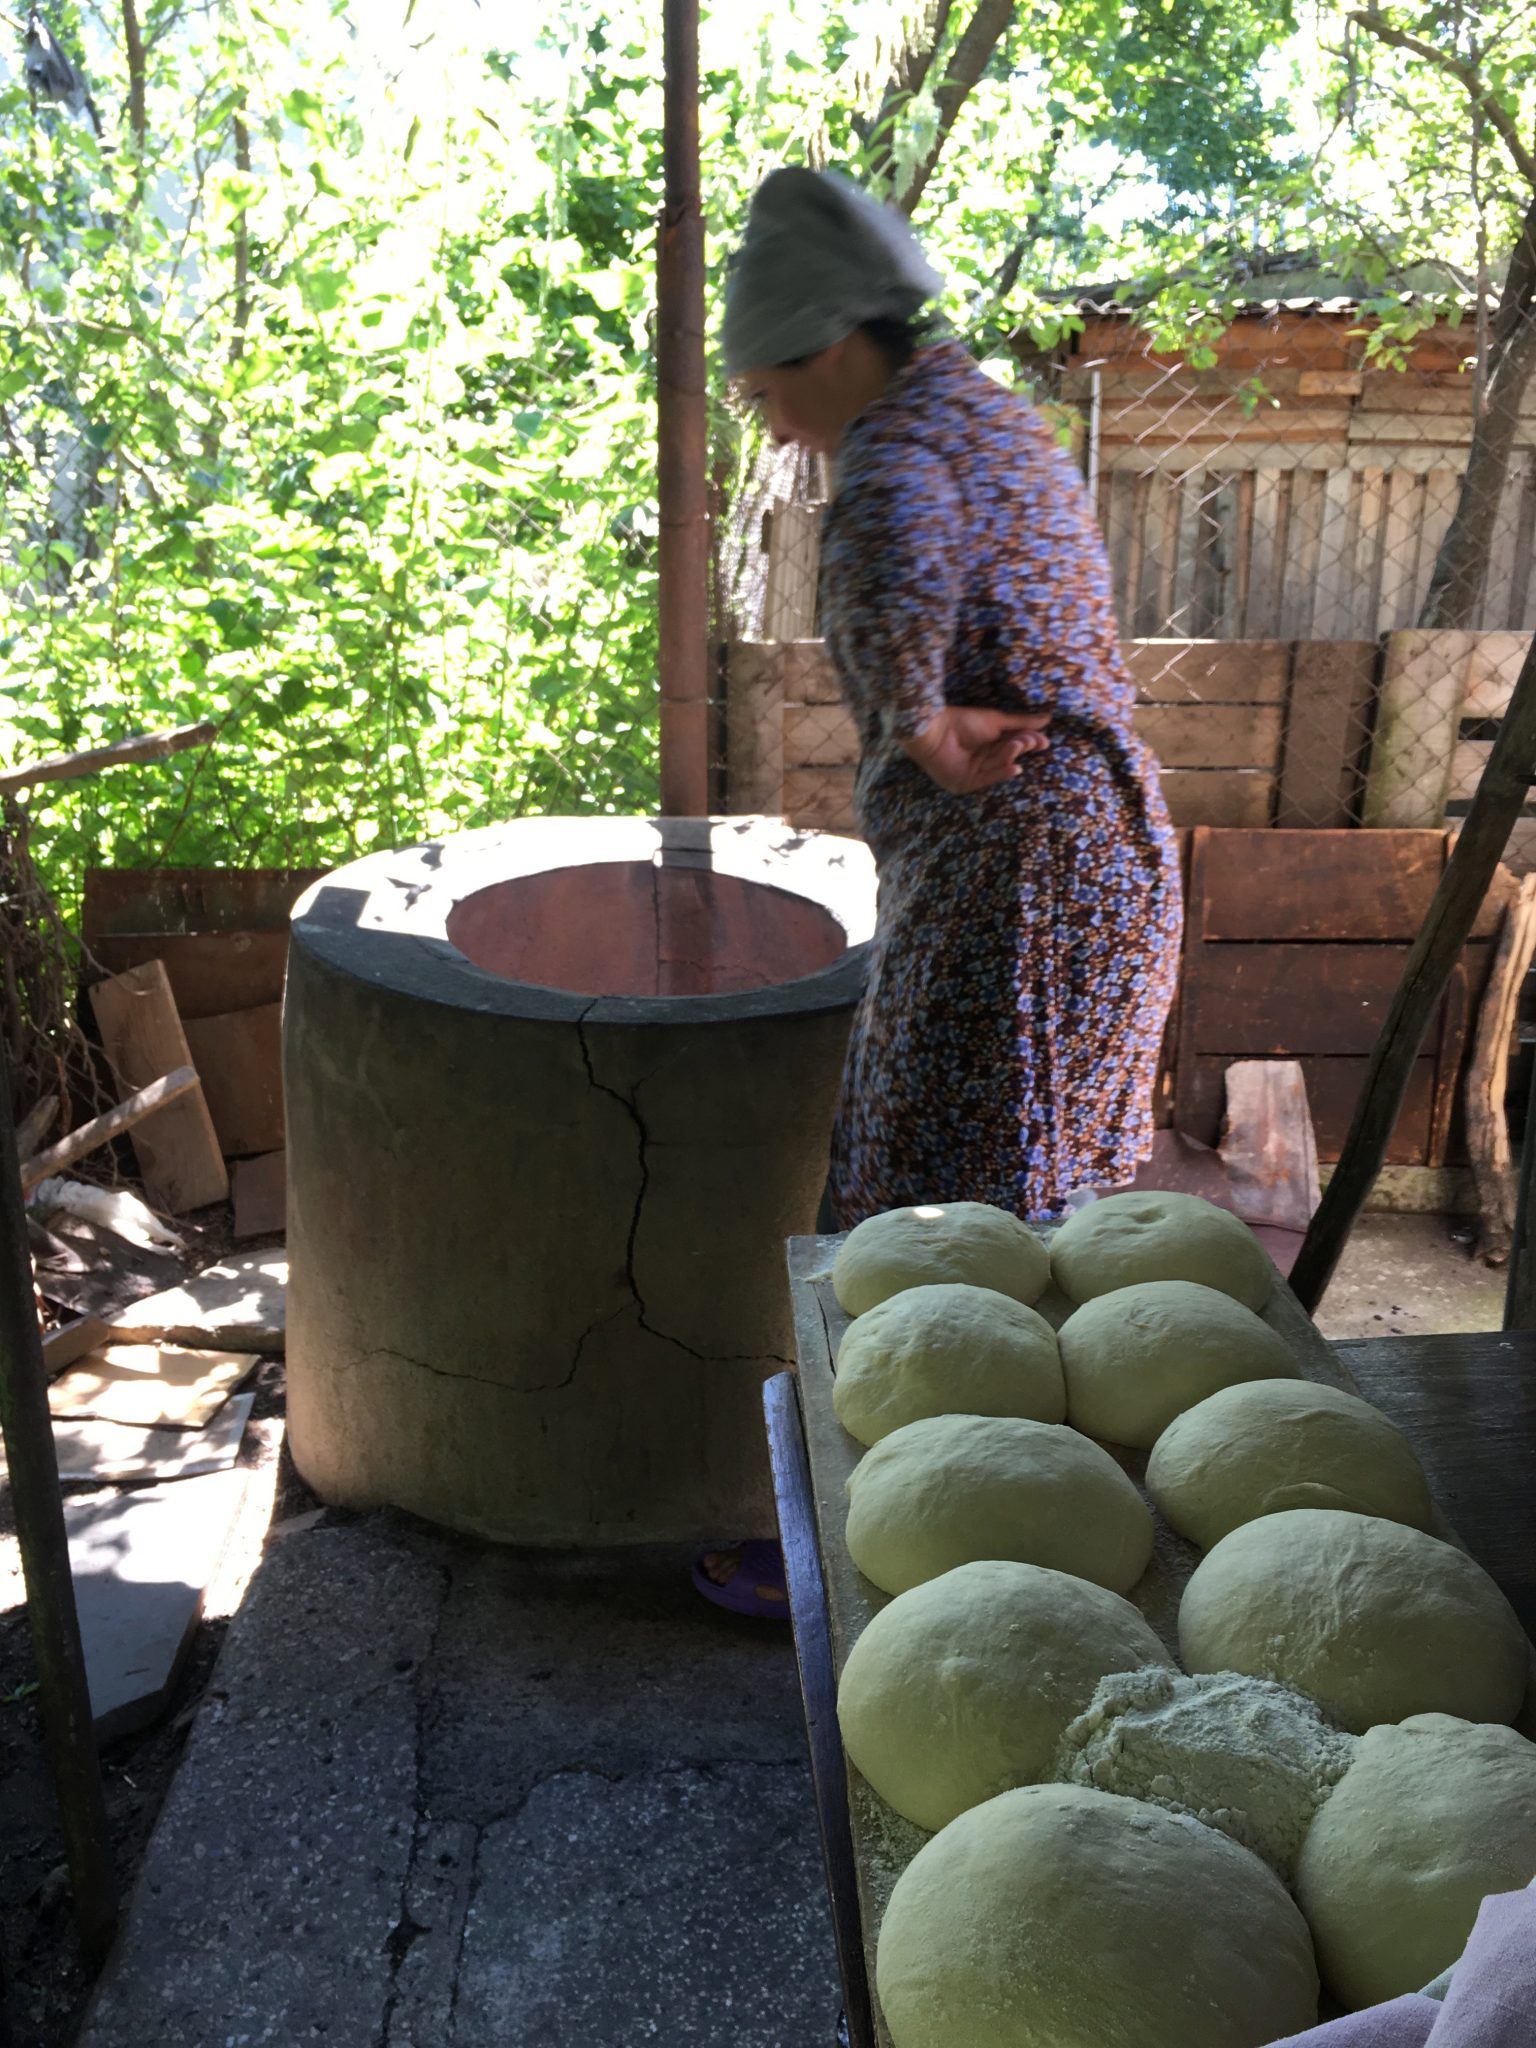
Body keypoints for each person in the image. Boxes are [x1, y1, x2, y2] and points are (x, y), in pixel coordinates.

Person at [695, 167, 1181, 1617]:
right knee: (1045, 1219)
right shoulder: (982, 413)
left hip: (1010, 890)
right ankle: (1041, 1551)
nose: (765, 411)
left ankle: (888, 1561)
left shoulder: (893, 470)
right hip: (1103, 865)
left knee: (928, 1228)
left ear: (836, 342)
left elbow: (932, 727)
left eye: (768, 378)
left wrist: (931, 739)